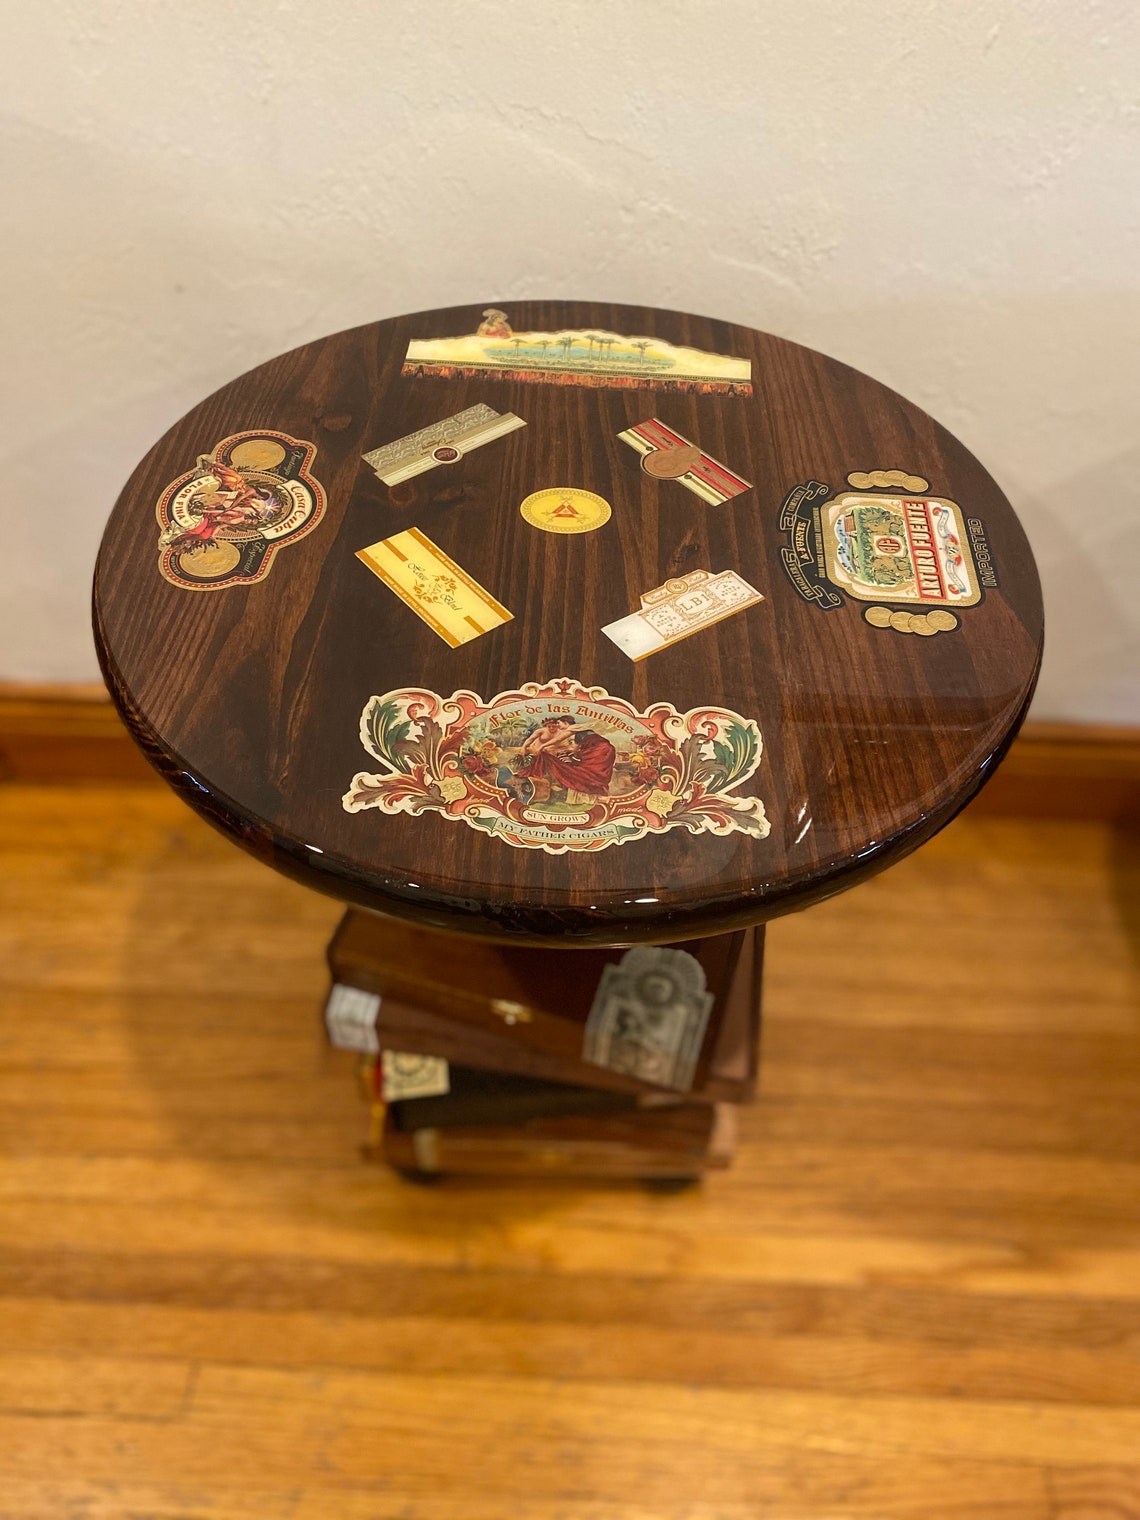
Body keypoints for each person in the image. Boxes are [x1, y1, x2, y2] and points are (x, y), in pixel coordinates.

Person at [518, 716, 616, 802]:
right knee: (592, 772)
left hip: (599, 750)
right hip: (607, 750)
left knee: (586, 773)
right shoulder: (581, 731)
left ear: (566, 723)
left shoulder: (573, 728)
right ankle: (595, 794)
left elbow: (557, 739)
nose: (558, 726)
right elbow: (578, 747)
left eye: (559, 723)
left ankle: (591, 793)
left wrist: (542, 746)